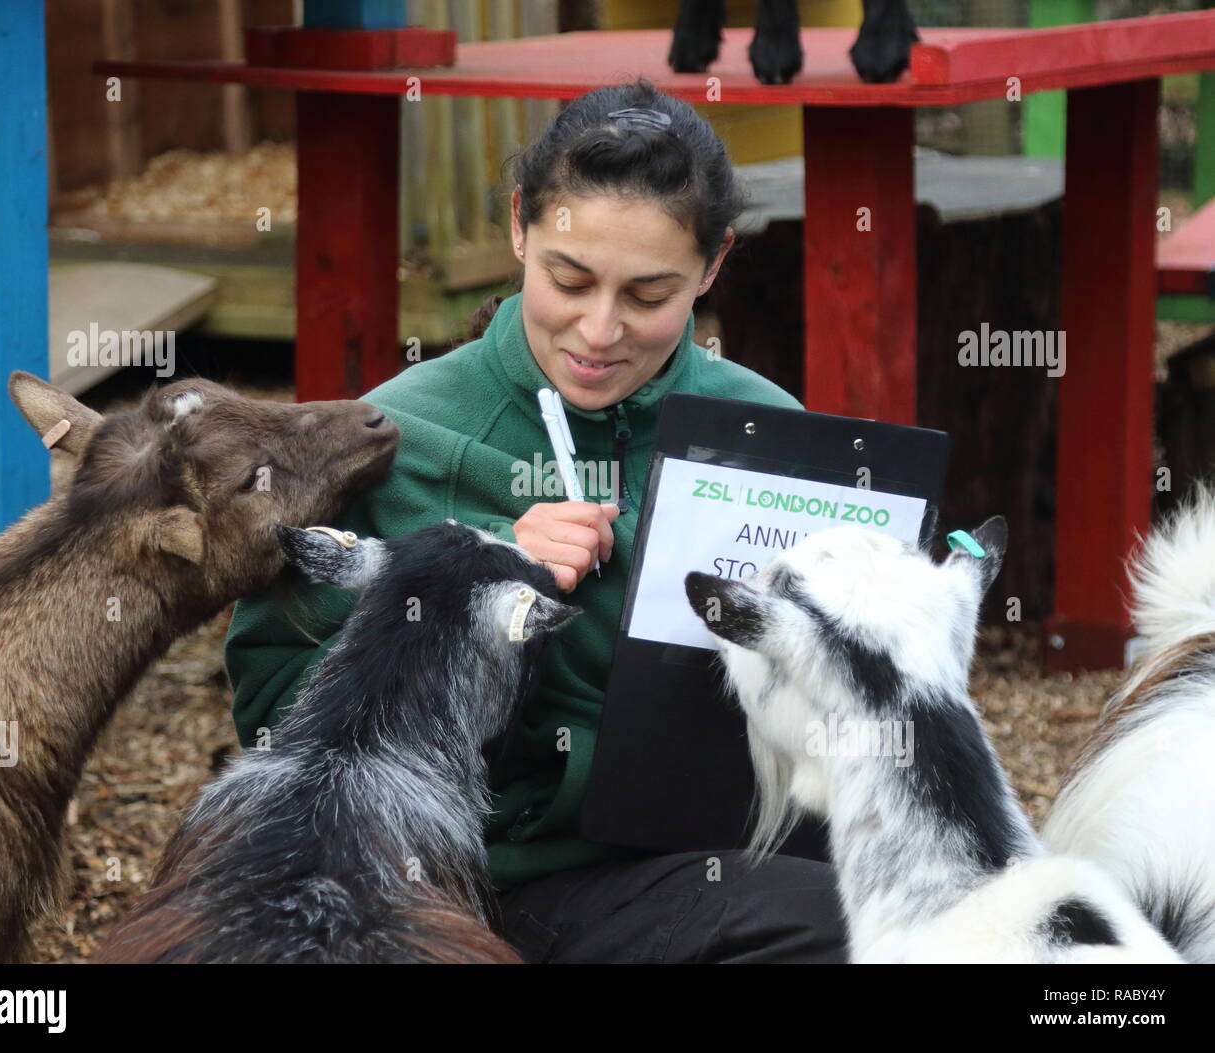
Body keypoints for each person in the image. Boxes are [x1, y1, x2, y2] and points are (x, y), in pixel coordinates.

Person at [225, 78, 847, 963]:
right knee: (833, 926)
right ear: (520, 225)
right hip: (486, 887)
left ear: (712, 267)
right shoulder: (392, 437)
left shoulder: (774, 434)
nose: (599, 331)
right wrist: (474, 589)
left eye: (648, 295)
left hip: (733, 854)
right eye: (570, 279)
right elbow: (272, 716)